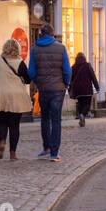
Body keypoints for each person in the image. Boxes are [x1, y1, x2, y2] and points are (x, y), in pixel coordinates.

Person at [27, 24, 71, 162]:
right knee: (56, 120)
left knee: (45, 118)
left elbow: (31, 72)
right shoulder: (61, 48)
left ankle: (46, 147)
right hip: (58, 89)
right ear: (52, 34)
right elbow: (67, 70)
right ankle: (54, 152)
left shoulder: (34, 49)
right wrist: (66, 83)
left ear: (41, 34)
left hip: (43, 89)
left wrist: (38, 81)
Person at [0, 37, 32, 160]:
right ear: (17, 49)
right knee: (14, 126)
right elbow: (28, 79)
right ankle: (13, 153)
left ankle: (2, 142)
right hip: (16, 97)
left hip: (1, 95)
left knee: (1, 123)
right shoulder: (20, 62)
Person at [69, 51, 100, 126]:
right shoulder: (87, 65)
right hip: (87, 89)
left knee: (80, 104)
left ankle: (82, 120)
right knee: (87, 105)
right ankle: (82, 115)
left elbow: (70, 79)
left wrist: (69, 87)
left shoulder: (73, 67)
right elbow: (93, 77)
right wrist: (97, 87)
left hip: (78, 90)